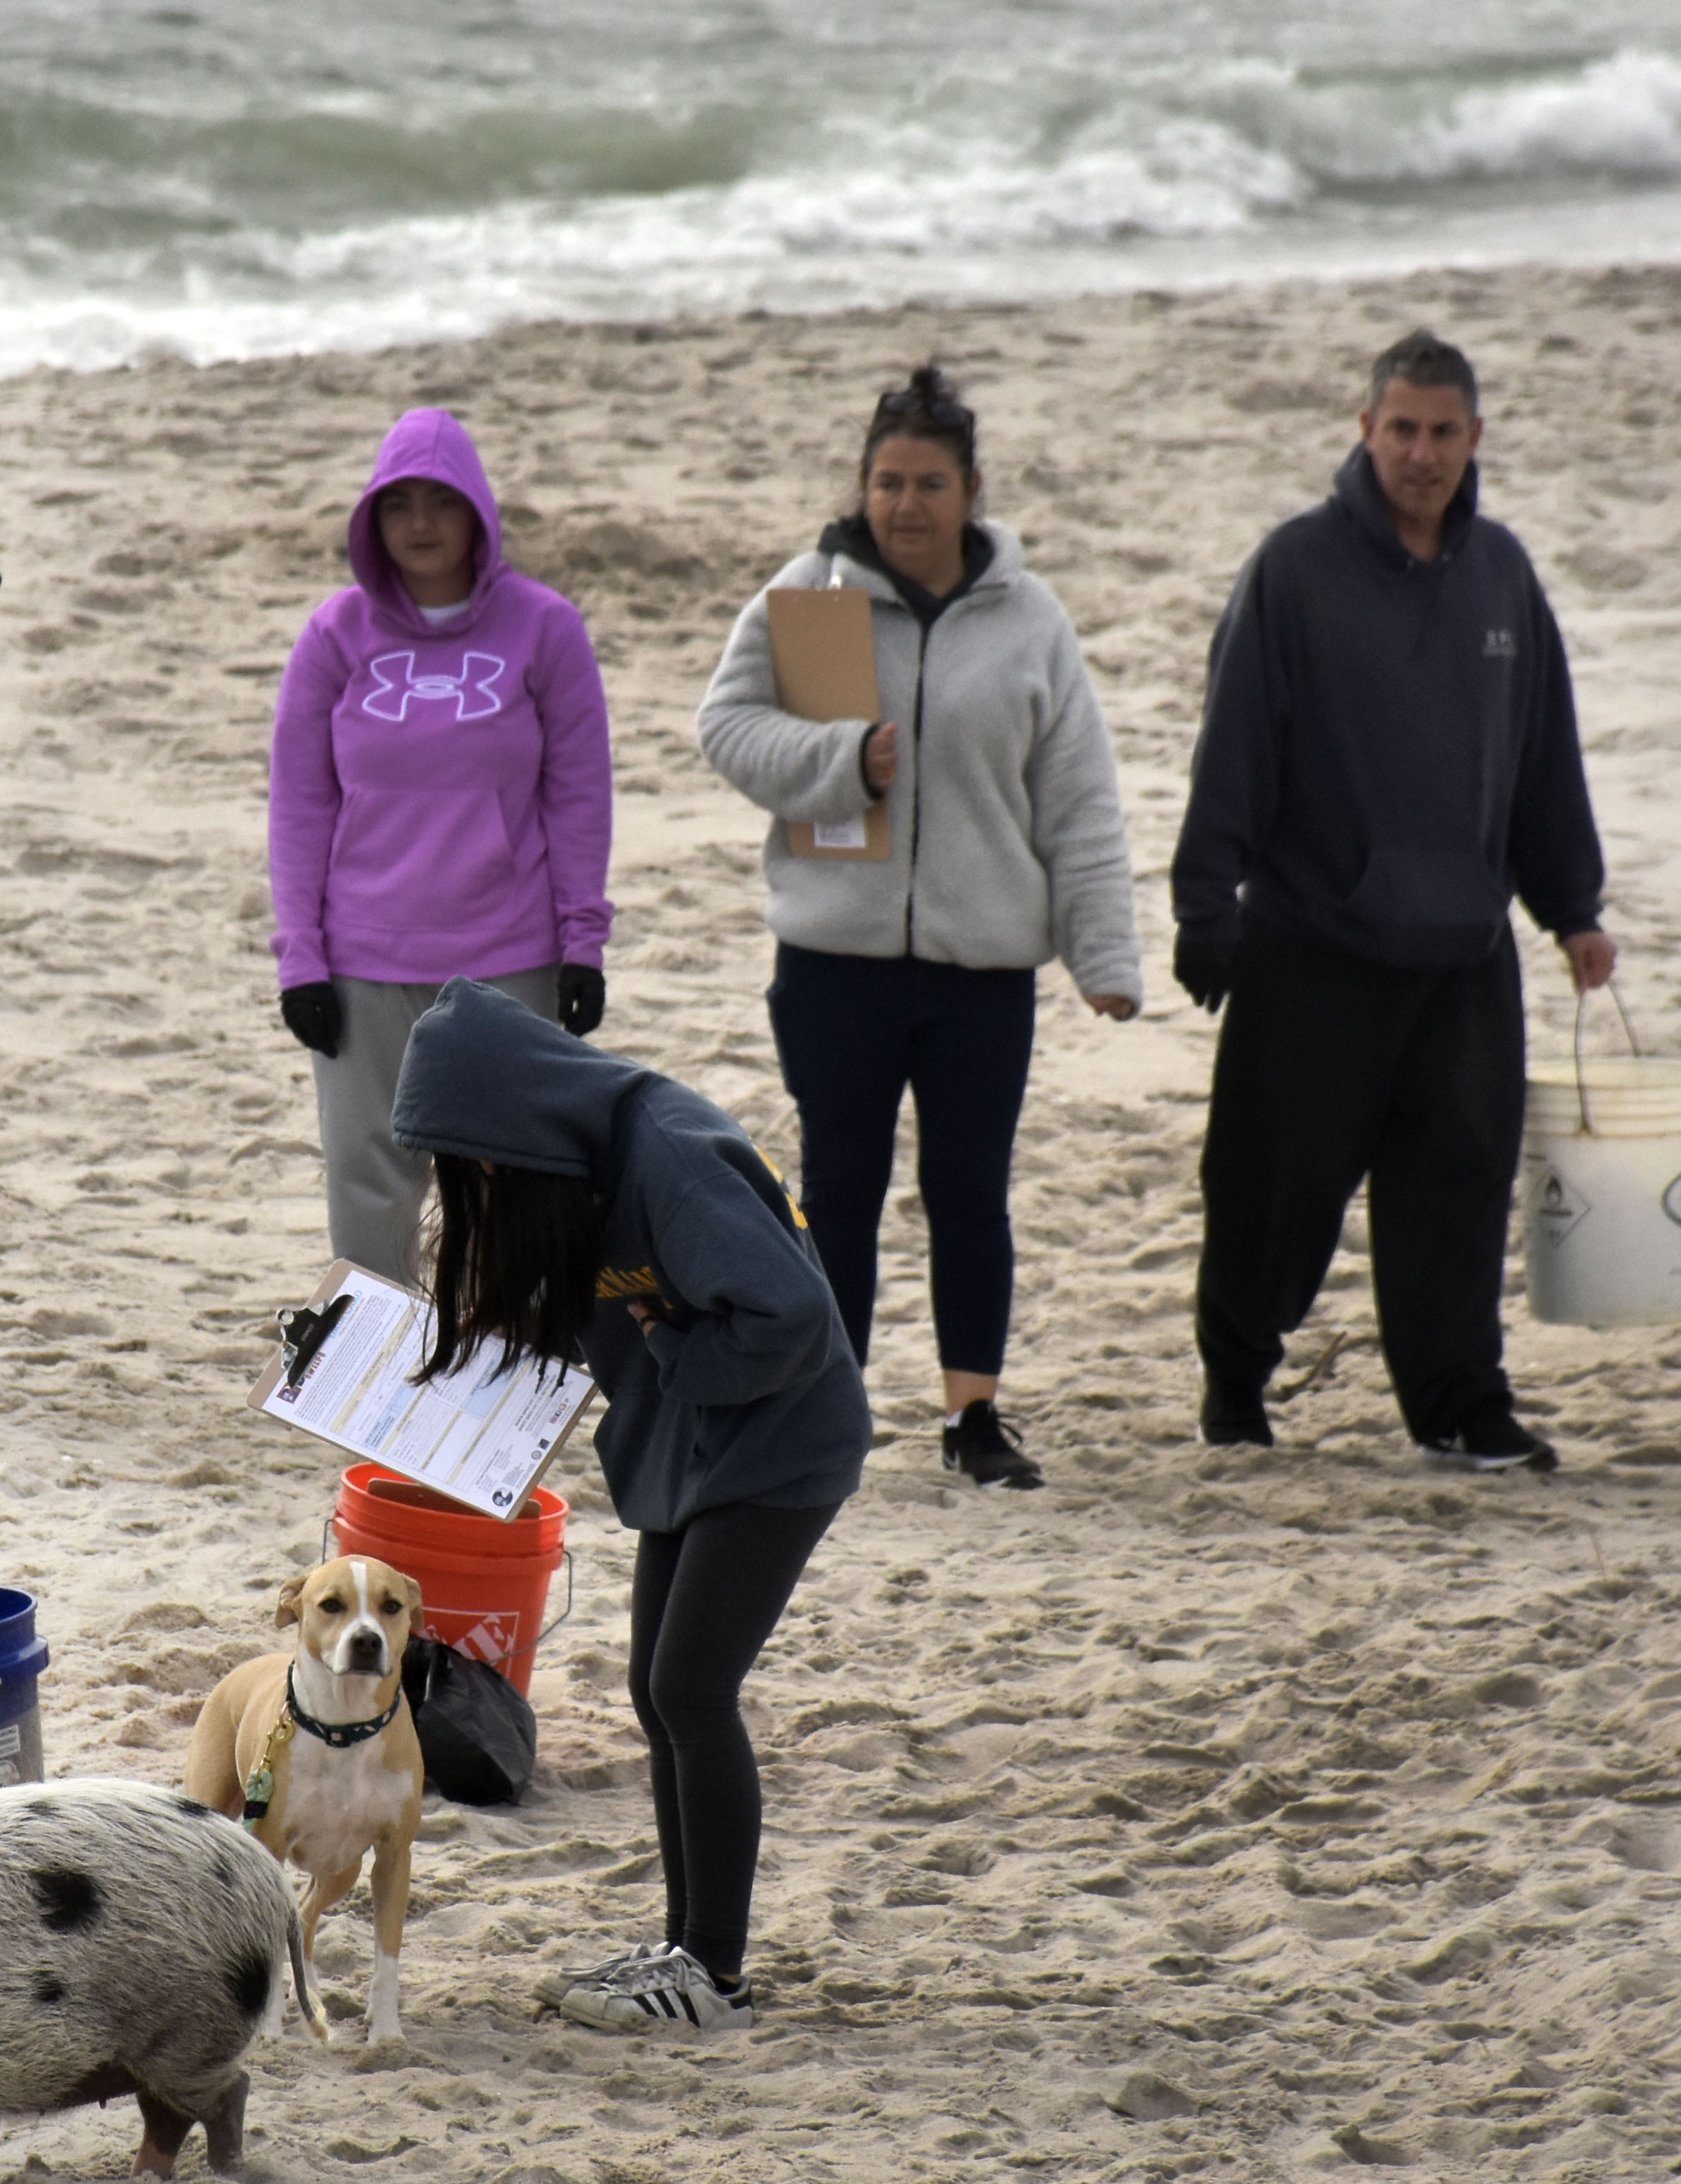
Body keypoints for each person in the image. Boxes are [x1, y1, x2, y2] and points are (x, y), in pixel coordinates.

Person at [694, 366, 1141, 1490]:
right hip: (833, 959)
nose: (905, 504)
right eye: (887, 481)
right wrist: (838, 763)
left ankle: (971, 1419)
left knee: (969, 1190)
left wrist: (1103, 955)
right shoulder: (809, 596)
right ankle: (830, 1414)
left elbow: (1079, 797)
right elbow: (726, 728)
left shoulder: (1030, 620)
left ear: (971, 491)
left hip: (981, 965)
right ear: (863, 486)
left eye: (929, 483)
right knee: (837, 1190)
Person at [1171, 331, 1613, 1471]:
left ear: (1474, 440)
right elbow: (1233, 750)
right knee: (1275, 1188)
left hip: (1463, 953)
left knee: (1455, 1190)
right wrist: (1203, 905)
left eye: (1442, 432)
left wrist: (1571, 908)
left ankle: (1461, 1403)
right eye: (1401, 428)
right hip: (1314, 944)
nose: (1420, 452)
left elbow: (1540, 757)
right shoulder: (1296, 570)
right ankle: (1235, 1387)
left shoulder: (1502, 574)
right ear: (1364, 431)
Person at [390, 979, 867, 2034]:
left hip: (782, 1442)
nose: (468, 1182)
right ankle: (685, 1944)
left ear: (515, 1125)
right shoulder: (559, 1172)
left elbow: (788, 1318)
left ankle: (718, 1976)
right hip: (683, 1444)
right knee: (658, 1698)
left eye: (471, 1161)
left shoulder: (671, 1152)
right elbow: (558, 1330)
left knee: (693, 1692)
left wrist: (672, 1351)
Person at [267, 406, 614, 1282]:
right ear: (372, 521)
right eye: (397, 505)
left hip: (508, 956)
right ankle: (379, 1390)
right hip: (364, 959)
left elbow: (579, 794)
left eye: (440, 502)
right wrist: (300, 958)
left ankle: (486, 1387)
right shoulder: (334, 635)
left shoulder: (545, 628)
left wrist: (582, 942)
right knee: (369, 1181)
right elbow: (299, 803)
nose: (419, 524)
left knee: (508, 1186)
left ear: (478, 516)